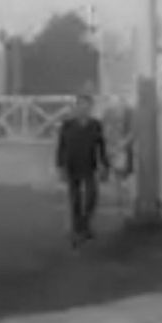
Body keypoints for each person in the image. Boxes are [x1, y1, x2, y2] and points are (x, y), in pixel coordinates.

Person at [56, 94, 111, 247]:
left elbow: (101, 146)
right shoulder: (67, 125)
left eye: (87, 106)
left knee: (92, 196)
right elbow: (61, 147)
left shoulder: (95, 125)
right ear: (76, 107)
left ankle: (84, 223)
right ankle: (78, 228)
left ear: (90, 108)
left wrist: (105, 164)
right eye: (81, 105)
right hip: (72, 164)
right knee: (75, 199)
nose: (84, 108)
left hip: (89, 164)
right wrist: (60, 166)